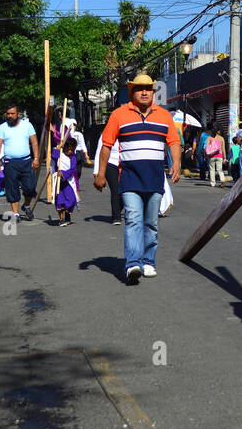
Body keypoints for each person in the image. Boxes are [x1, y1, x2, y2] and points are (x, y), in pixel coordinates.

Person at [95, 73, 181, 283]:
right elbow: (106, 144)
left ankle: (149, 261)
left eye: (148, 88)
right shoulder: (118, 115)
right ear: (132, 92)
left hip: (154, 179)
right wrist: (100, 173)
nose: (144, 92)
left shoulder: (164, 115)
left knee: (151, 223)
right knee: (133, 220)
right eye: (139, 89)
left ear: (153, 91)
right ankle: (133, 264)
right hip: (130, 179)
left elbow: (174, 141)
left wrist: (176, 163)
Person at [0, 105, 39, 220]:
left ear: (18, 114)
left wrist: (36, 158)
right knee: (12, 188)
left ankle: (26, 205)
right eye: (8, 114)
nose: (10, 116)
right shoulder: (2, 128)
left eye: (12, 113)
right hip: (10, 163)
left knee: (30, 187)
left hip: (26, 161)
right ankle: (16, 213)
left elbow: (34, 142)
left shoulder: (27, 125)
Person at [53, 136, 80, 226]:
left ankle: (67, 214)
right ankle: (61, 219)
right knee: (60, 200)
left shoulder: (73, 158)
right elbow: (53, 155)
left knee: (71, 199)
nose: (70, 152)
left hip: (68, 182)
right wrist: (59, 147)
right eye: (69, 150)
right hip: (59, 183)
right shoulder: (60, 154)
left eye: (72, 150)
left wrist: (63, 174)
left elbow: (72, 170)